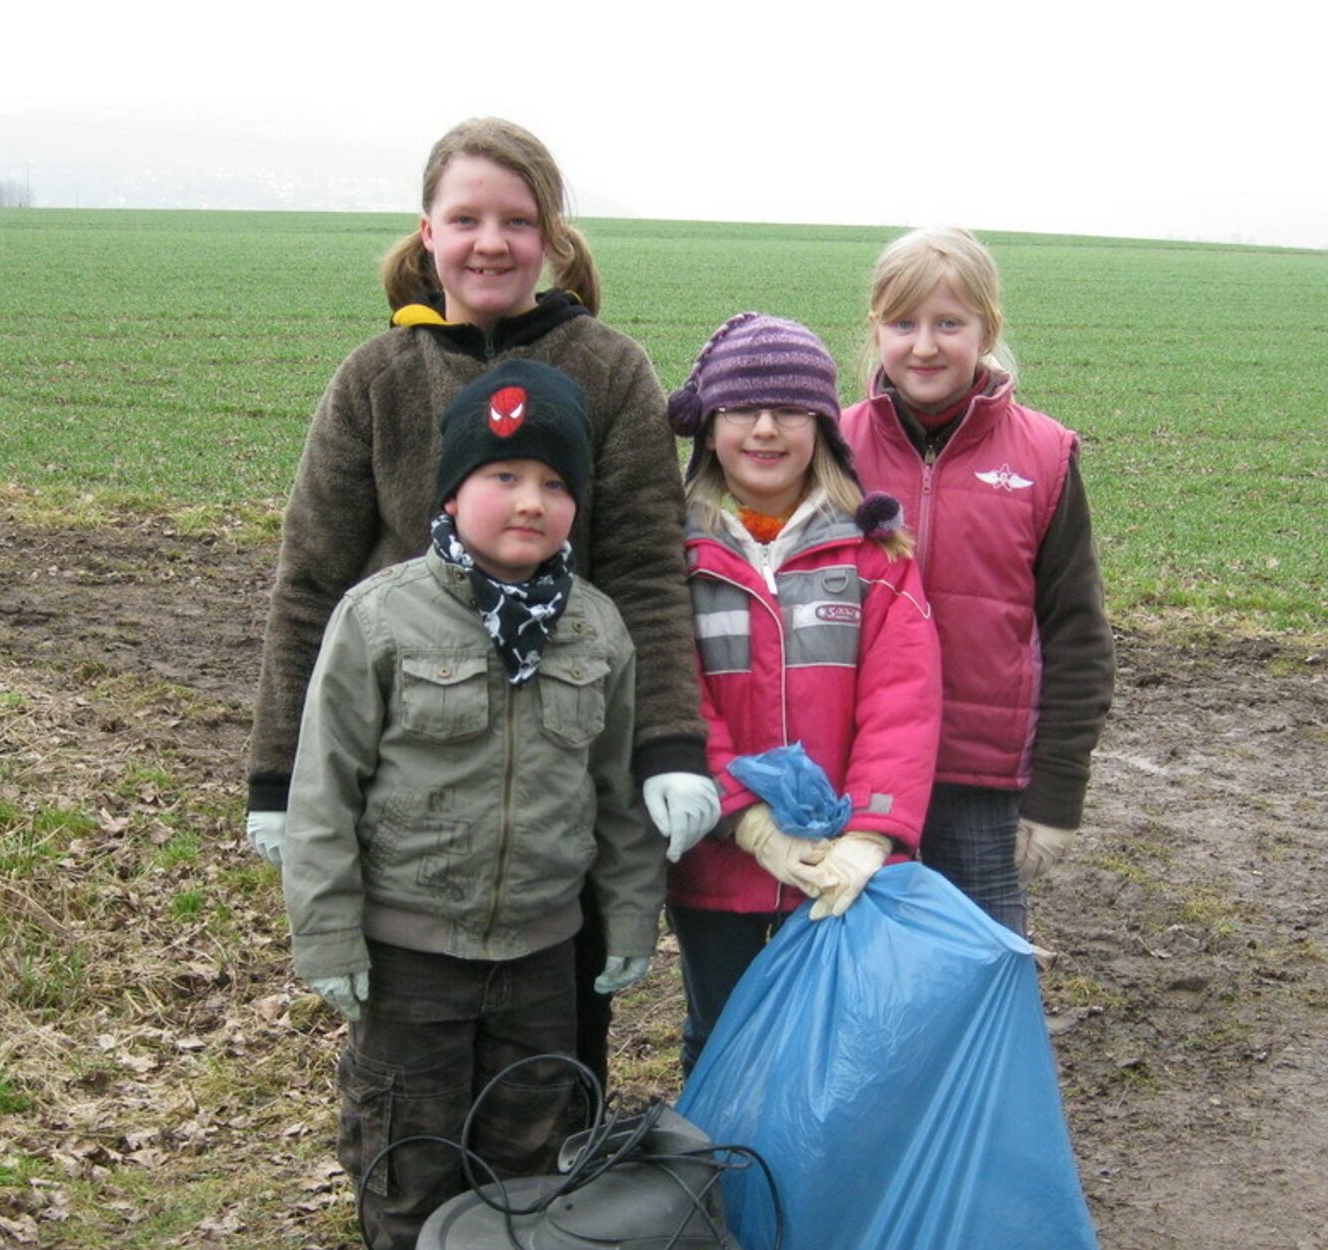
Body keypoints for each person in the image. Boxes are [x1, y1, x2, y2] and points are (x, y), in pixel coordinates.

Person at [244, 118, 715, 1086]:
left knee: (553, 1071)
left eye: (517, 220)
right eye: (465, 219)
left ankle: (550, 1177)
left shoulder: (611, 369)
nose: (490, 243)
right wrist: (277, 775)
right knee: (409, 1072)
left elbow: (644, 569)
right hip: (417, 792)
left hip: (560, 792)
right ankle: (413, 1187)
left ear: (552, 237)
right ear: (428, 233)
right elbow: (311, 583)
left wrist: (667, 745)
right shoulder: (376, 378)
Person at [281, 359, 666, 1250]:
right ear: (451, 493)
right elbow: (324, 790)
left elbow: (618, 797)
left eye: (555, 482)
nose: (530, 500)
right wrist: (328, 936)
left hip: (543, 951)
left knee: (524, 1140)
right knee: (407, 1144)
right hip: (412, 952)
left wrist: (629, 917)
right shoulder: (379, 619)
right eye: (504, 477)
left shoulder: (597, 630)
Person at [663, 313, 941, 1070]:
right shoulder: (672, 555)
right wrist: (748, 823)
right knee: (721, 1040)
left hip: (841, 870)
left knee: (833, 1050)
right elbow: (674, 697)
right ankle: (714, 1150)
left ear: (822, 427)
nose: (765, 429)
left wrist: (869, 835)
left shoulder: (874, 555)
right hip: (716, 864)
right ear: (707, 426)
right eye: (741, 410)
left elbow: (902, 703)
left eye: (790, 410)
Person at [841, 229, 1114, 938]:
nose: (924, 346)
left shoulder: (1044, 457)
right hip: (858, 770)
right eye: (903, 323)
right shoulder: (834, 449)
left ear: (987, 331)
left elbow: (1077, 633)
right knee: (866, 963)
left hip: (982, 781)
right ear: (876, 329)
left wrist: (1057, 794)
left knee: (982, 962)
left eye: (949, 324)